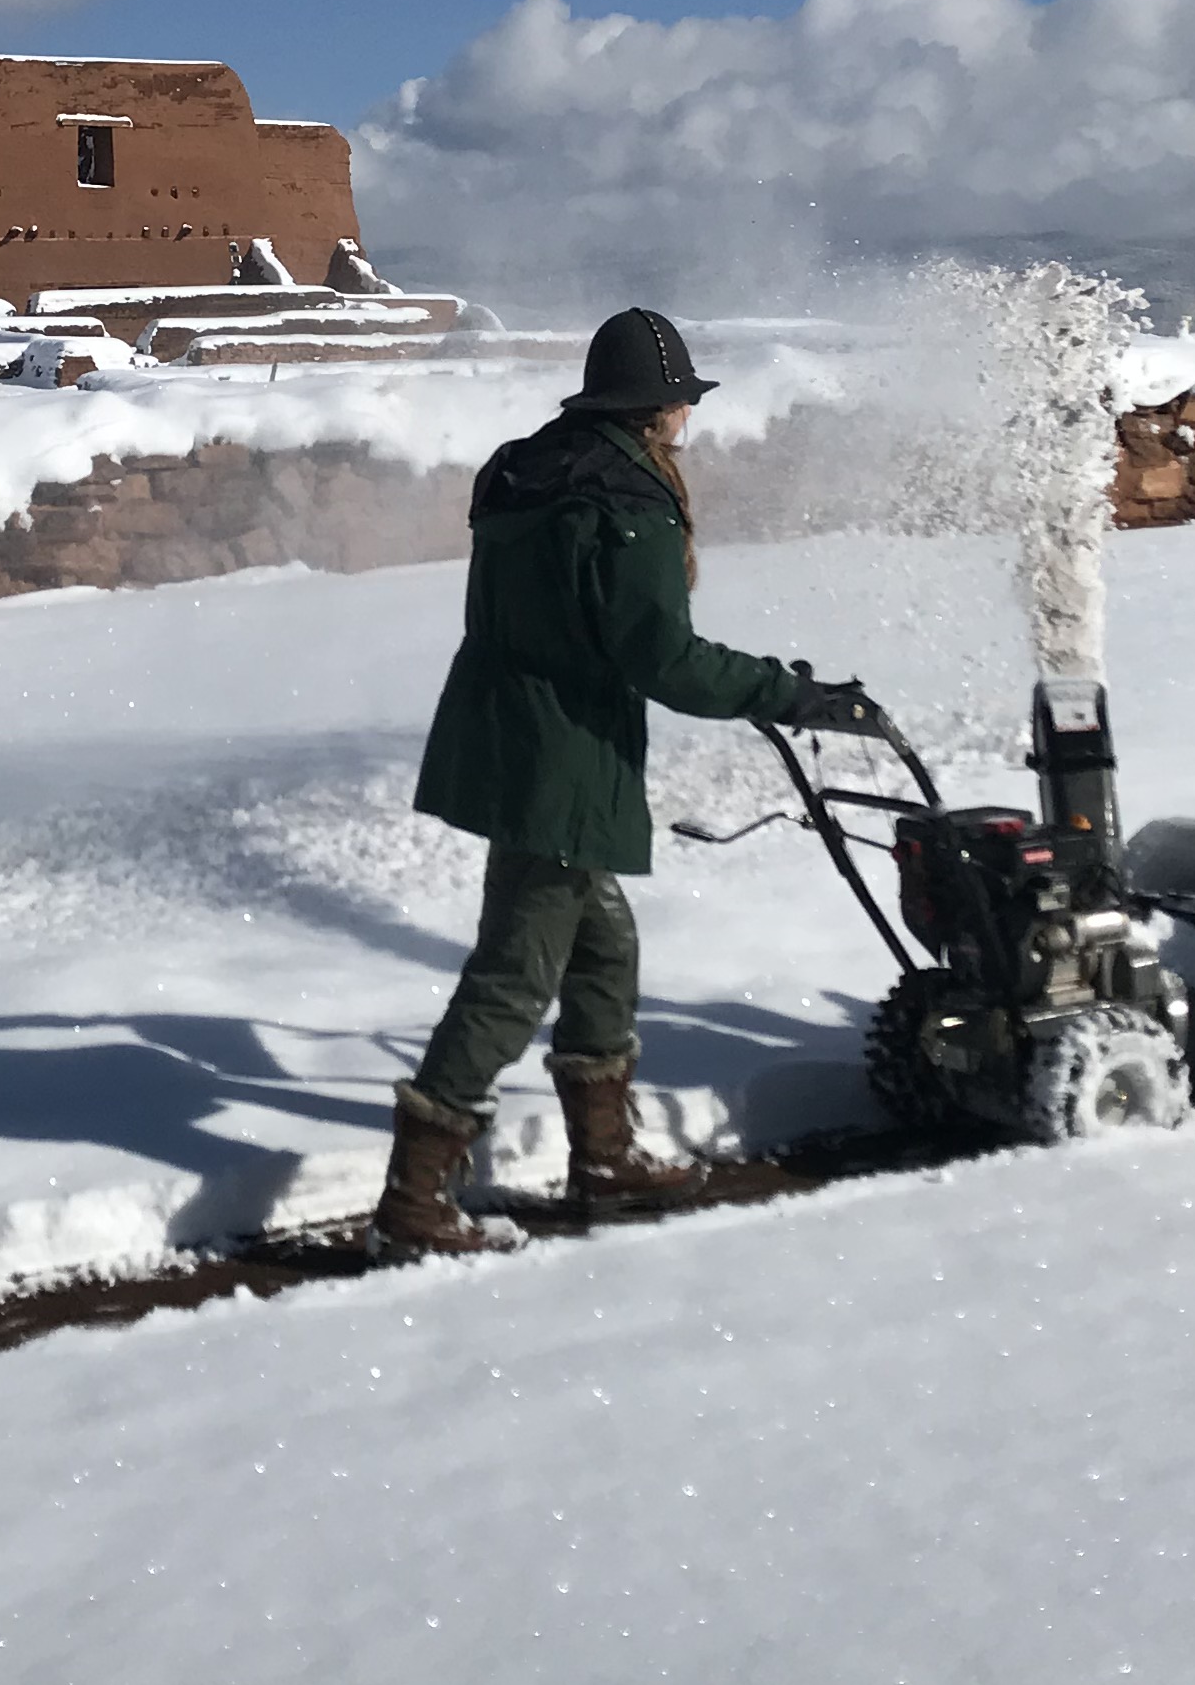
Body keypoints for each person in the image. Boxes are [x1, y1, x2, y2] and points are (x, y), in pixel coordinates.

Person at [381, 305, 896, 1258]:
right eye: (682, 405)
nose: (687, 421)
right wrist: (799, 696)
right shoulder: (628, 502)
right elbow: (666, 660)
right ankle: (415, 1204)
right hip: (563, 753)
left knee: (602, 942)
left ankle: (604, 1158)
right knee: (513, 971)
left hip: (501, 728)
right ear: (657, 408)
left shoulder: (524, 467)